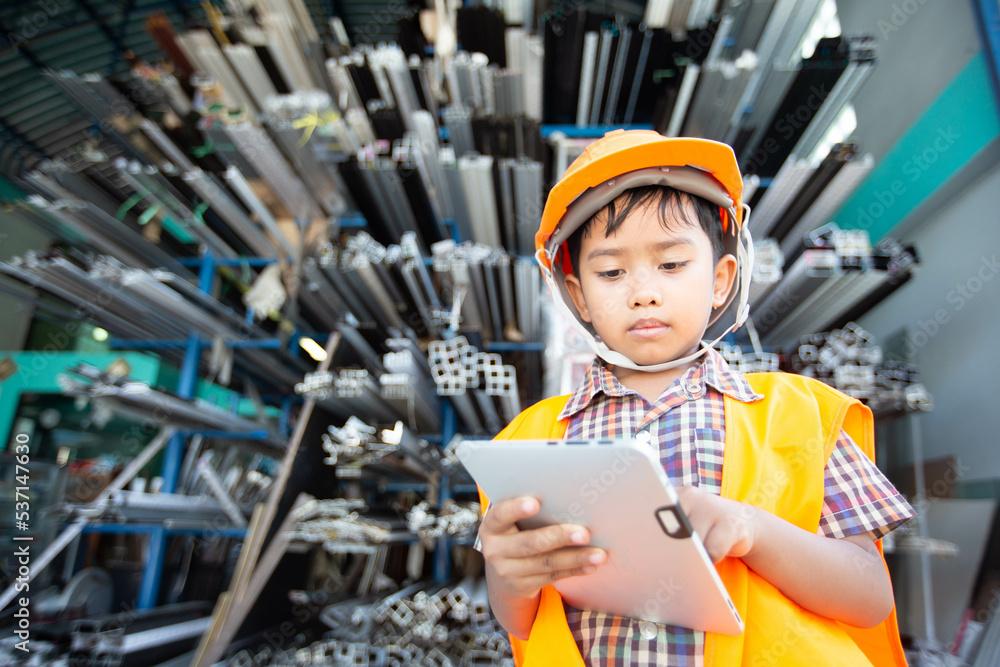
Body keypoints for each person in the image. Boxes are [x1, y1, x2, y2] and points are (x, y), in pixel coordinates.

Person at [475, 129, 915, 666]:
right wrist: (507, 576)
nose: (644, 291)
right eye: (611, 272)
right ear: (577, 296)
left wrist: (752, 529)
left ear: (721, 280)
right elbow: (519, 621)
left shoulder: (803, 416)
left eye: (672, 264)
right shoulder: (530, 443)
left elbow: (869, 598)